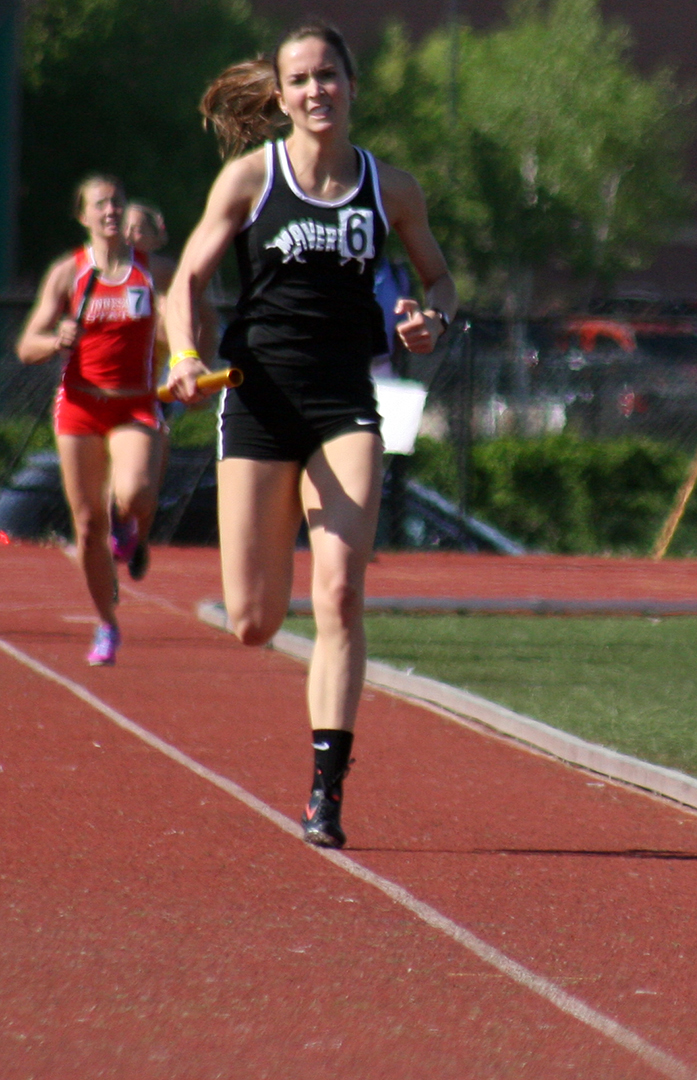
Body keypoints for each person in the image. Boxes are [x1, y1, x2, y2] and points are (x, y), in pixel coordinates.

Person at [162, 24, 456, 849]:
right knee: (254, 619)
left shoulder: (390, 188)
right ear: (281, 96)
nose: (316, 90)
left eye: (328, 75)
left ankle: (326, 794)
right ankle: (270, 603)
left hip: (344, 403)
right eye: (300, 80)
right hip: (258, 402)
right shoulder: (250, 180)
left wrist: (434, 319)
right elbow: (185, 278)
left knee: (340, 592)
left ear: (352, 87)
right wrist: (185, 353)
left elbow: (440, 277)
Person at [15, 176, 178, 665]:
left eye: (118, 203)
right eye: (100, 204)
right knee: (88, 524)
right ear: (83, 215)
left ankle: (135, 532)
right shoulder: (69, 273)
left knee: (135, 493)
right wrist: (55, 339)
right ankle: (106, 624)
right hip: (81, 404)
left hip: (134, 403)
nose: (111, 210)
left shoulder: (153, 272)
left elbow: (189, 315)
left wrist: (188, 351)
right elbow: (27, 346)